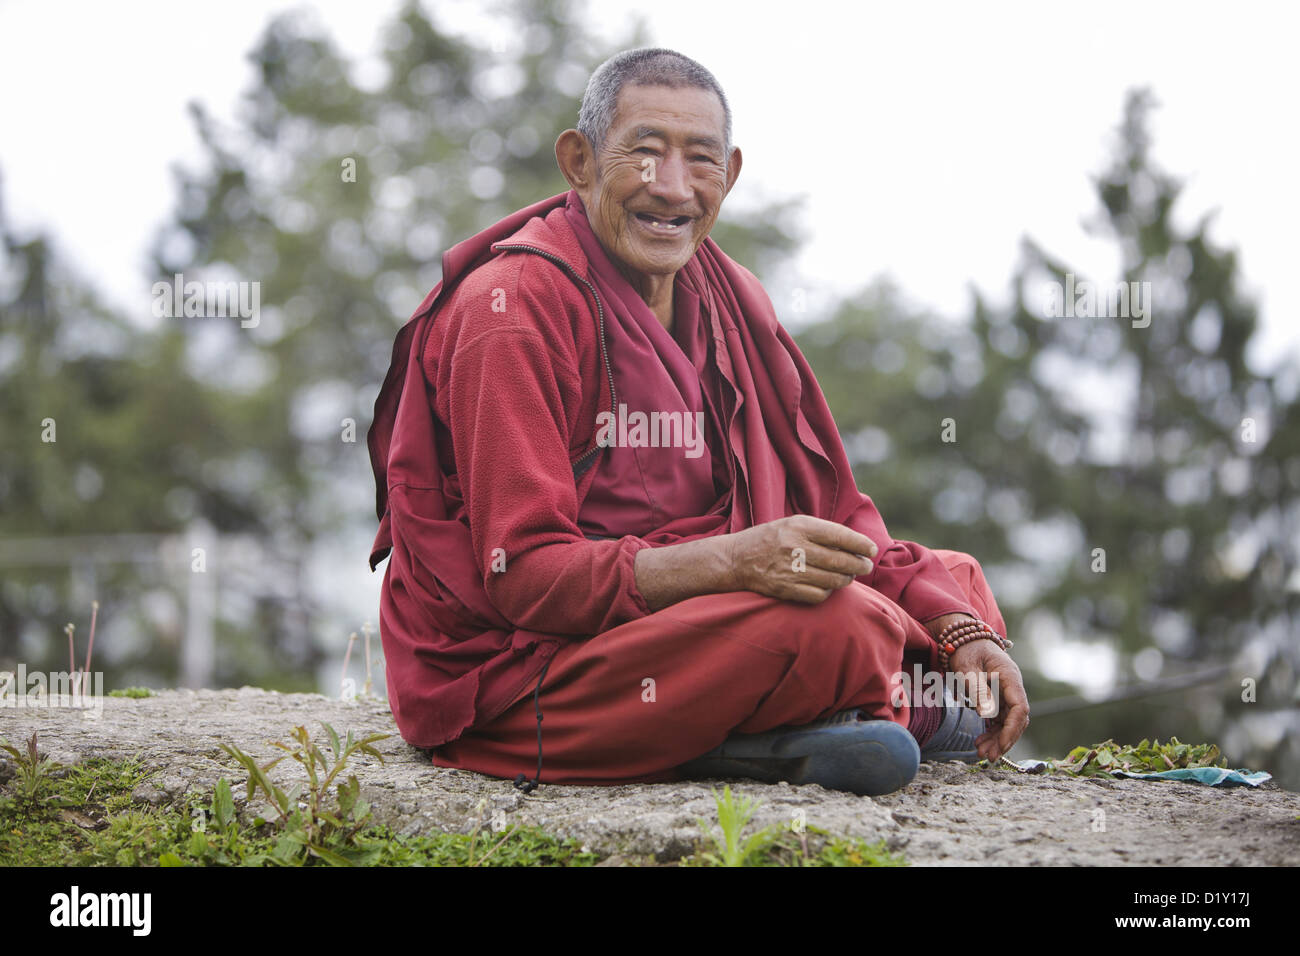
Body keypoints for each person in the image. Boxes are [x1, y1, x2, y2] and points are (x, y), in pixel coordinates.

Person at [367, 47, 1029, 797]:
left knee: (955, 579)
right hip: (527, 670)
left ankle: (788, 723)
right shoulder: (512, 308)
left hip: (690, 623)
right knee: (840, 627)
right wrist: (736, 562)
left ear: (732, 174)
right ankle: (816, 718)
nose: (672, 188)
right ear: (578, 161)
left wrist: (957, 628)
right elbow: (522, 579)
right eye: (644, 154)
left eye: (700, 160)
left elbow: (833, 513)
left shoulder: (730, 296)